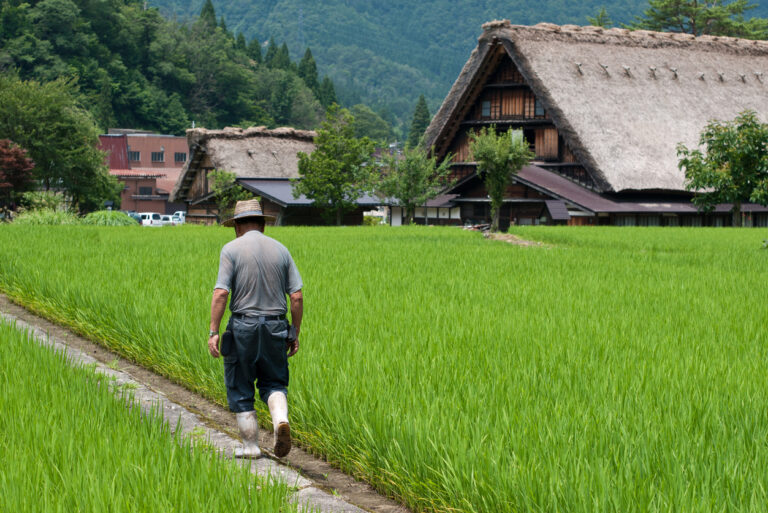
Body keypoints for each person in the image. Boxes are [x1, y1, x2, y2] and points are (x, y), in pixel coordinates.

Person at [208, 199, 303, 459]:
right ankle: (280, 420)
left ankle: (250, 447)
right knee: (274, 381)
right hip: (275, 326)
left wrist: (213, 331)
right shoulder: (282, 250)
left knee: (241, 384)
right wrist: (293, 332)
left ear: (237, 226)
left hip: (243, 326)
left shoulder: (231, 249)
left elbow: (220, 293)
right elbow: (296, 297)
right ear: (262, 225)